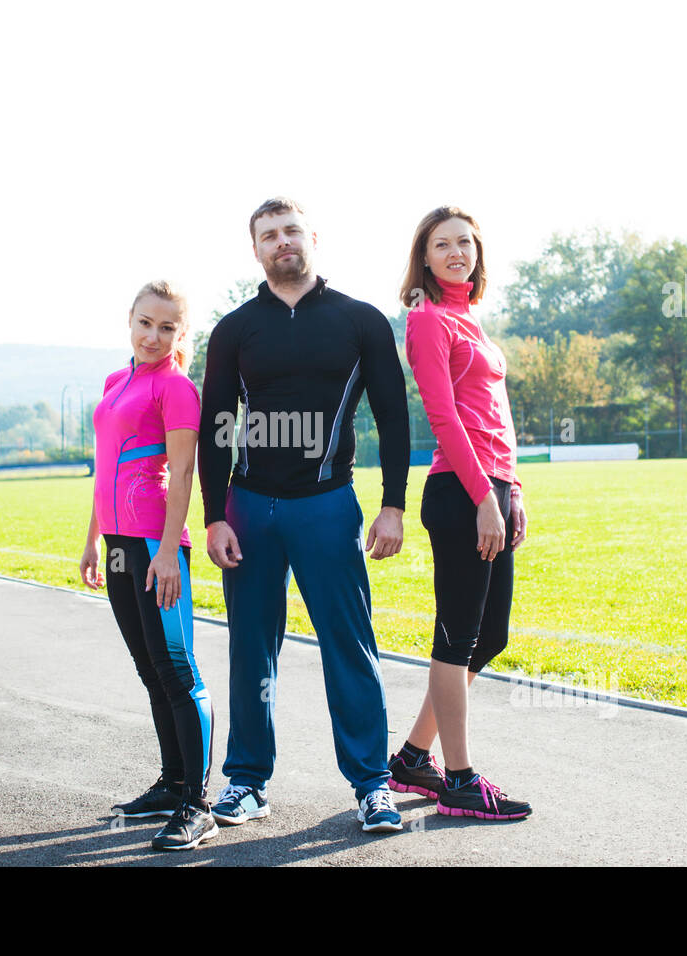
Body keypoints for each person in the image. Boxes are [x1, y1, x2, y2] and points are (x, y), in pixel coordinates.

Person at [198, 197, 410, 833]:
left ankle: (373, 786)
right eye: (269, 235)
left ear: (311, 237)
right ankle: (246, 783)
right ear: (256, 250)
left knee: (349, 644)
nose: (282, 242)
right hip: (250, 508)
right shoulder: (235, 329)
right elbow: (215, 427)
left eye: (291, 230)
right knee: (251, 647)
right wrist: (214, 516)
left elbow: (395, 419)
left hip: (326, 505)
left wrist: (392, 505)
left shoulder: (361, 321)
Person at [388, 206, 533, 821]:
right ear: (424, 256)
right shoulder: (426, 320)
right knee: (457, 635)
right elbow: (444, 418)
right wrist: (482, 498)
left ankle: (413, 758)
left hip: (492, 487)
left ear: (477, 253)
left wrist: (513, 489)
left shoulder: (471, 320)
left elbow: (497, 415)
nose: (455, 253)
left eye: (464, 244)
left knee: (488, 636)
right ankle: (459, 778)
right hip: (459, 491)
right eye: (441, 244)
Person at [80, 280, 216, 851]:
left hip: (156, 544)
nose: (153, 336)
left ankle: (198, 804)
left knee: (177, 669)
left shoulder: (178, 388)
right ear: (130, 321)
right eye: (145, 323)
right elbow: (103, 465)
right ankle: (172, 783)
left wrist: (166, 552)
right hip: (115, 543)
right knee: (149, 669)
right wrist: (92, 540)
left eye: (167, 328)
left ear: (180, 334)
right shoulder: (116, 383)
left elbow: (183, 475)